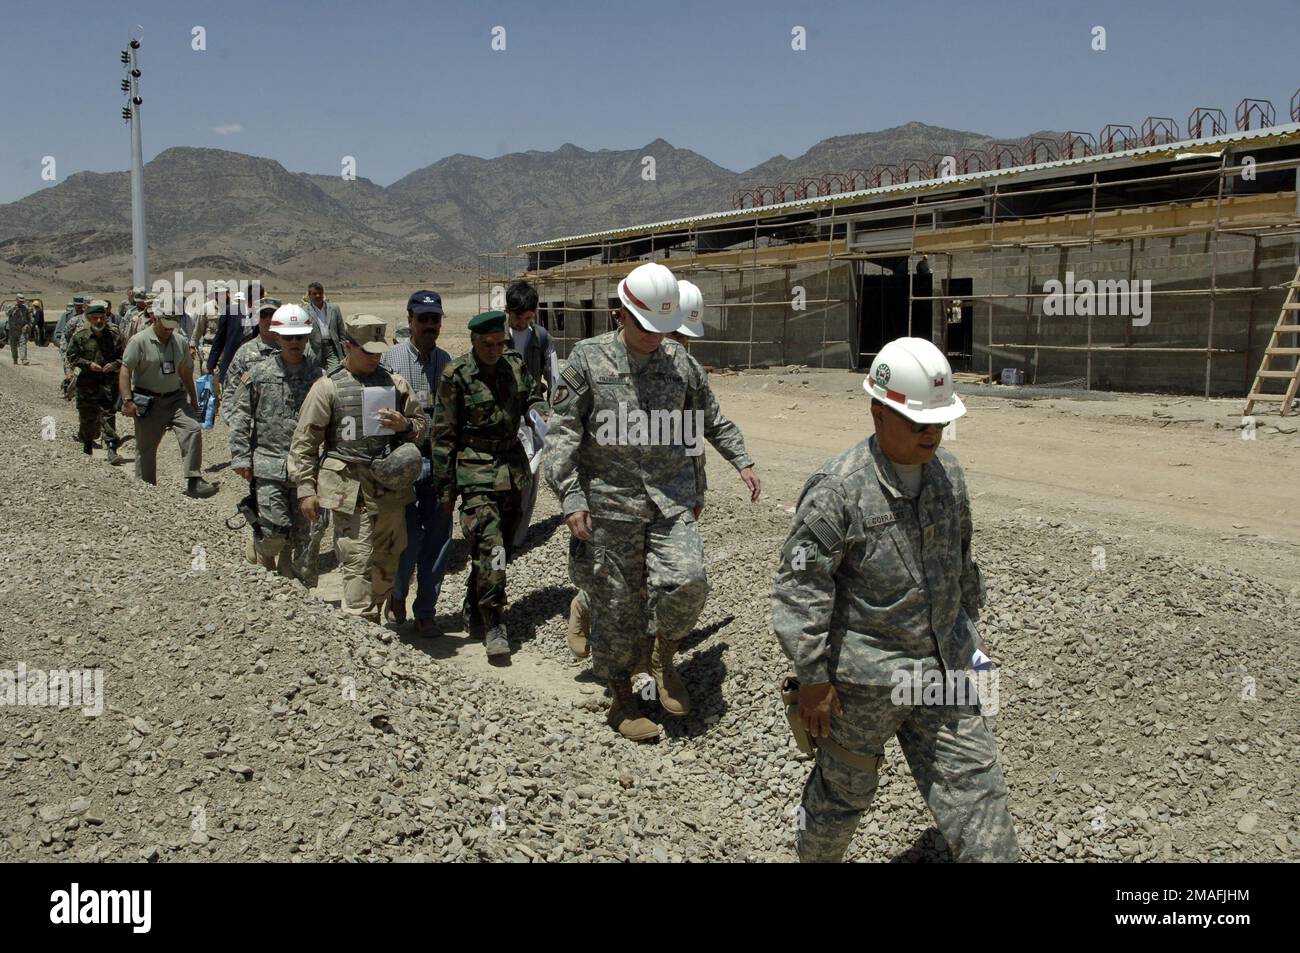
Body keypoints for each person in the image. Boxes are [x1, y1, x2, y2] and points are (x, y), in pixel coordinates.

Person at [771, 336, 1019, 863]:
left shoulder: (948, 475)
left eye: (939, 423)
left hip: (943, 673)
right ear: (879, 413)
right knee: (841, 800)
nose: (932, 434)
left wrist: (969, 640)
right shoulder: (838, 489)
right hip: (865, 684)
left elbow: (961, 559)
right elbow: (801, 588)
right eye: (919, 424)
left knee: (980, 803)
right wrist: (813, 680)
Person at [544, 262, 760, 740]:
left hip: (669, 500)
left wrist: (741, 460)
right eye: (644, 326)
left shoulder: (681, 364)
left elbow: (712, 420)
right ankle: (621, 700)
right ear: (621, 312)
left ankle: (664, 653)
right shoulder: (586, 360)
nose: (652, 337)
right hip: (609, 504)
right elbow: (561, 435)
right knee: (617, 605)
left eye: (661, 328)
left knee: (689, 579)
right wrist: (571, 495)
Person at [287, 314, 426, 622]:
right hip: (349, 489)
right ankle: (361, 628)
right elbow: (305, 443)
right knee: (357, 560)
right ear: (347, 346)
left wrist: (405, 425)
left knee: (388, 560)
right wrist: (306, 489)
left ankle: (377, 608)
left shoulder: (395, 384)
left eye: (379, 351)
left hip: (388, 488)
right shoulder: (327, 388)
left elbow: (422, 427)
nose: (375, 357)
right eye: (367, 351)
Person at [430, 310, 548, 660]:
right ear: (474, 342)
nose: (495, 350)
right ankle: (494, 621)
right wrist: (446, 488)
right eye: (488, 344)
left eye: (500, 343)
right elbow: (443, 435)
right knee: (491, 543)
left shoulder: (514, 364)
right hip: (475, 469)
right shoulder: (457, 375)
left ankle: (474, 601)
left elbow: (532, 396)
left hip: (512, 467)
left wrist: (539, 411)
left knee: (502, 548)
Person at [229, 305, 325, 583]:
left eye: (300, 336)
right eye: (288, 337)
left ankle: (297, 592)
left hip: (306, 470)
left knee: (305, 536)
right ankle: (261, 549)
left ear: (307, 337)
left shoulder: (319, 377)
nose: (294, 342)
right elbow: (240, 415)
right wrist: (241, 457)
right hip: (268, 466)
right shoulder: (259, 374)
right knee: (273, 534)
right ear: (277, 336)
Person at [380, 290, 454, 634]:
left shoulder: (448, 364)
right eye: (422, 319)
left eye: (434, 320)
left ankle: (426, 609)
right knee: (406, 535)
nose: (429, 325)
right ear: (409, 320)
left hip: (438, 462)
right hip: (403, 462)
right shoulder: (390, 361)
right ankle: (397, 592)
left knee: (438, 537)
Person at [118, 298, 219, 498]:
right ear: (155, 318)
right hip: (148, 400)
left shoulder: (179, 341)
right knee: (146, 447)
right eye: (165, 325)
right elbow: (125, 371)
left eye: (173, 326)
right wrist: (127, 400)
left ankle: (193, 480)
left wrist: (194, 399)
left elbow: (185, 372)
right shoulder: (139, 341)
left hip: (175, 400)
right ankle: (146, 489)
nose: (168, 330)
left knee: (192, 429)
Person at [503, 280, 556, 550]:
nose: (523, 322)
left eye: (528, 318)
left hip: (532, 419)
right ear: (507, 311)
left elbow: (554, 377)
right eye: (518, 317)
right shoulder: (494, 337)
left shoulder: (542, 338)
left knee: (530, 480)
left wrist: (553, 413)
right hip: (502, 421)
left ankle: (517, 538)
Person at [65, 300, 126, 464]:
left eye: (102, 317)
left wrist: (114, 365)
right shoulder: (80, 336)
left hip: (108, 383)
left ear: (106, 317)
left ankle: (112, 450)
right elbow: (71, 356)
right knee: (87, 417)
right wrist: (88, 364)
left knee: (109, 414)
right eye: (95, 318)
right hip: (87, 384)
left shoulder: (114, 335)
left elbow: (125, 356)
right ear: (89, 318)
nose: (99, 321)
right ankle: (87, 447)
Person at [220, 297, 283, 419]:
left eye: (273, 314)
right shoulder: (245, 352)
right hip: (254, 429)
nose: (268, 319)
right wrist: (233, 421)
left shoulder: (292, 348)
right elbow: (230, 390)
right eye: (263, 315)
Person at [303, 282, 347, 373]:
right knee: (315, 375)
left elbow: (341, 332)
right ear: (309, 295)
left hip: (332, 347)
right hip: (314, 349)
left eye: (320, 293)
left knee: (336, 372)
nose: (318, 296)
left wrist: (344, 352)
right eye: (315, 293)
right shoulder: (304, 311)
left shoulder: (334, 308)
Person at [5, 294, 31, 365]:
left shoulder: (25, 308)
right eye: (20, 301)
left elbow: (29, 319)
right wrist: (14, 308)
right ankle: (15, 359)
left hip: (21, 330)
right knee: (13, 345)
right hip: (12, 330)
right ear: (16, 300)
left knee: (23, 344)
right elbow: (7, 313)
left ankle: (24, 359)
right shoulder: (10, 306)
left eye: (22, 301)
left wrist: (27, 325)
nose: (22, 302)